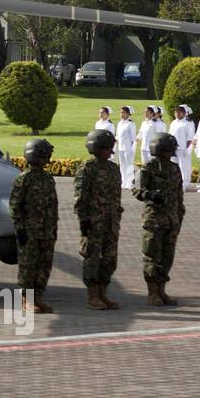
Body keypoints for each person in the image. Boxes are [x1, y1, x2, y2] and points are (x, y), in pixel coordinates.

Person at [134, 132, 185, 306]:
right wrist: (151, 195)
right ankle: (152, 293)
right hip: (154, 220)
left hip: (171, 220)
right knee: (152, 256)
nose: (170, 153)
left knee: (167, 256)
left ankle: (162, 290)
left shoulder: (174, 168)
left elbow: (179, 194)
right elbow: (137, 191)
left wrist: (179, 215)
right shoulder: (148, 168)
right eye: (168, 150)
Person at [74, 128, 122, 310]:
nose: (110, 152)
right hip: (93, 223)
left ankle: (103, 292)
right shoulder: (87, 169)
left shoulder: (113, 169)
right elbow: (80, 197)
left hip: (111, 222)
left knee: (109, 259)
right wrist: (83, 220)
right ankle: (92, 295)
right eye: (107, 148)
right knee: (92, 258)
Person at [10, 138, 58, 314]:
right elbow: (14, 207)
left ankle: (38, 297)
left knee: (44, 265)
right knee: (28, 265)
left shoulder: (48, 179)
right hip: (30, 232)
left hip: (46, 231)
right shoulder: (24, 179)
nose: (47, 159)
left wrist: (54, 228)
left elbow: (53, 205)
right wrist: (20, 229)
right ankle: (26, 300)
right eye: (45, 155)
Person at [169, 104, 195, 188]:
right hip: (173, 148)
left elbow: (190, 137)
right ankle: (175, 183)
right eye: (176, 112)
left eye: (179, 112)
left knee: (184, 167)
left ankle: (184, 184)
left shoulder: (188, 123)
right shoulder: (174, 122)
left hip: (182, 148)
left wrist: (187, 148)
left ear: (184, 113)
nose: (177, 114)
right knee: (174, 167)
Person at [115, 106, 137, 189]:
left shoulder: (130, 124)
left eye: (123, 113)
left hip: (128, 148)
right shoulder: (119, 123)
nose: (122, 114)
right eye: (121, 112)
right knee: (122, 165)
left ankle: (130, 183)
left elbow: (133, 138)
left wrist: (131, 148)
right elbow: (117, 135)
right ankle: (123, 182)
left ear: (128, 114)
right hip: (121, 147)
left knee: (129, 165)